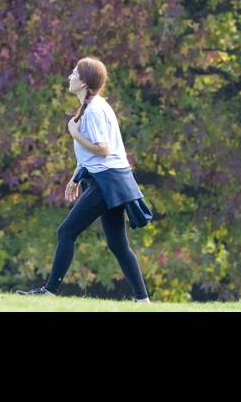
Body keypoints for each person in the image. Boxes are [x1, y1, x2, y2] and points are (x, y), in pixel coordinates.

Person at [17, 58, 151, 301]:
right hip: (114, 181)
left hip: (106, 183)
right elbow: (93, 157)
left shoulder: (94, 111)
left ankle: (49, 292)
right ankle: (143, 300)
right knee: (118, 245)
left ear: (85, 81)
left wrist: (75, 134)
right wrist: (76, 177)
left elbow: (103, 149)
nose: (69, 76)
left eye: (74, 73)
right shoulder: (94, 107)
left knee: (66, 232)